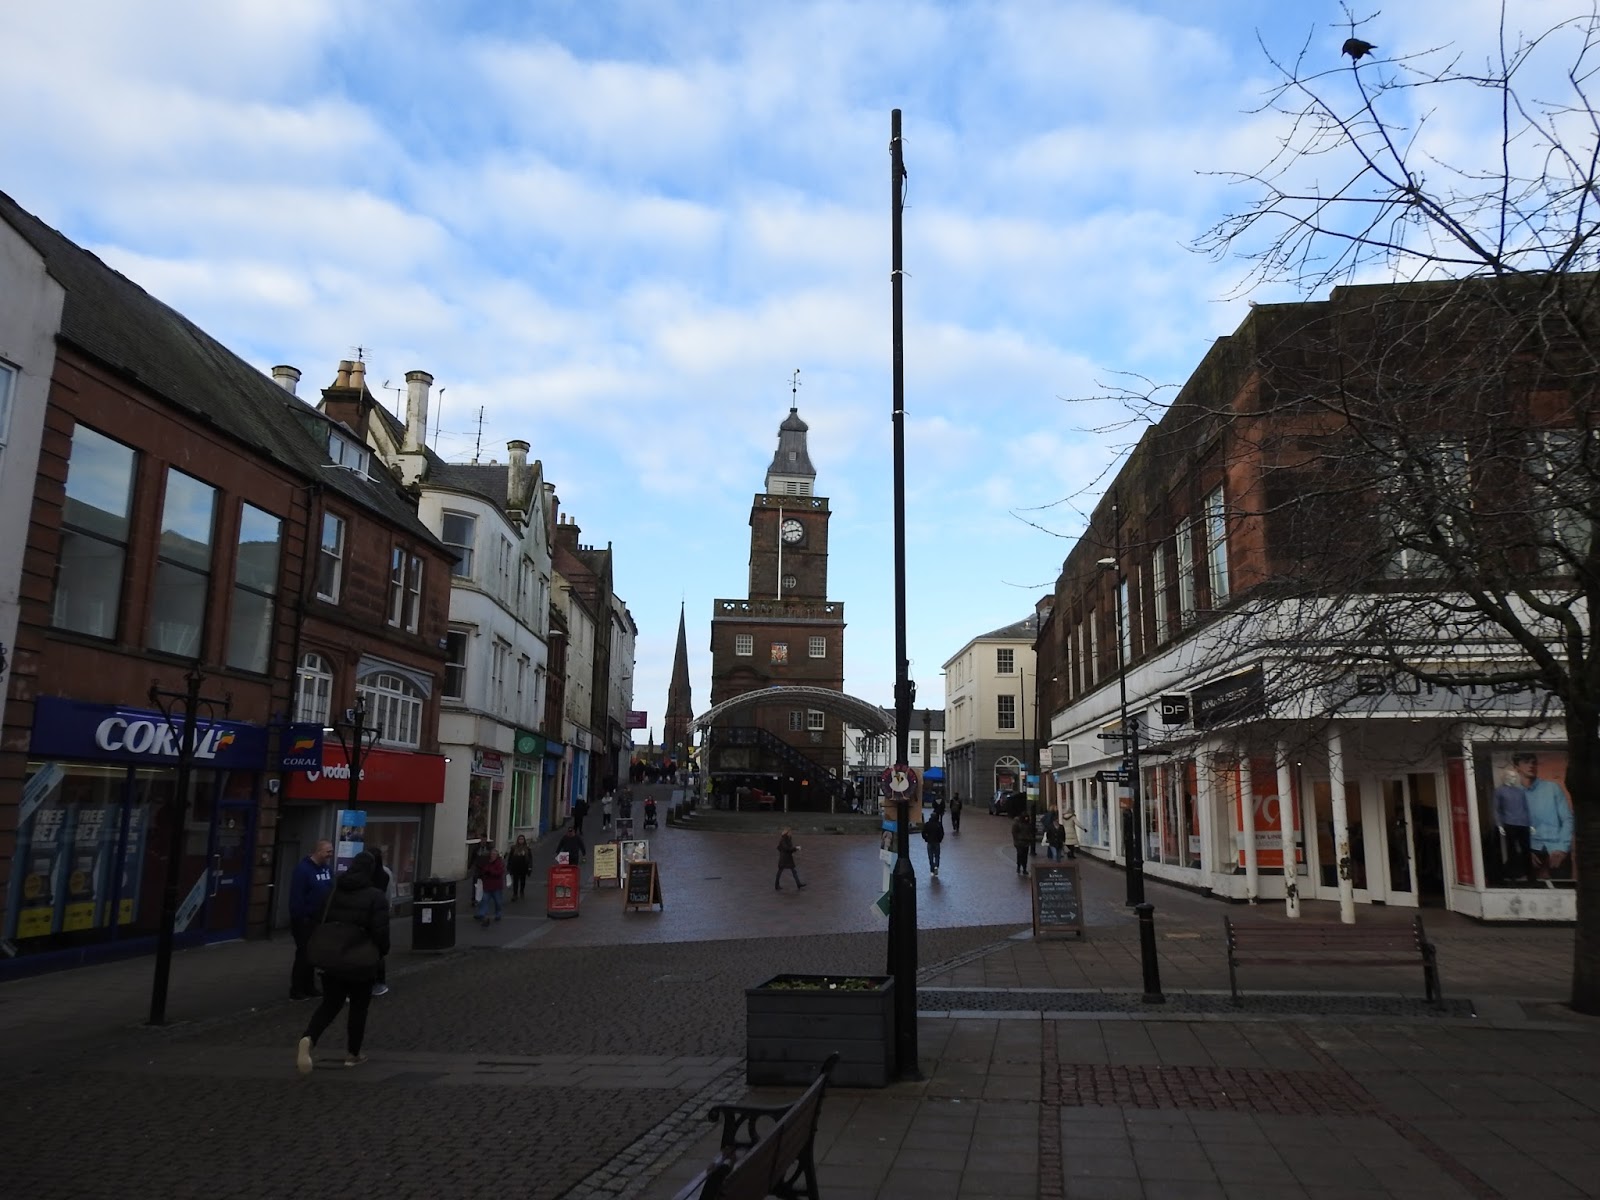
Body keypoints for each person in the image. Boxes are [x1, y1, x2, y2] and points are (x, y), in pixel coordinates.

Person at [296, 850, 389, 1073]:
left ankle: (309, 1037)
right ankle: (353, 1053)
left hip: (333, 959)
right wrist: (381, 953)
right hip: (360, 960)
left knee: (330, 1004)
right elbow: (380, 932)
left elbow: (319, 919)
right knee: (358, 1008)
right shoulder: (375, 896)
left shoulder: (333, 891)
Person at [288, 839, 334, 1001]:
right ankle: (297, 989)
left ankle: (309, 986)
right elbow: (297, 896)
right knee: (303, 954)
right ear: (318, 851)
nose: (330, 854)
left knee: (313, 954)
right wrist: (301, 917)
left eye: (331, 851)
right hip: (305, 920)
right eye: (328, 851)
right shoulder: (303, 870)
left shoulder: (327, 869)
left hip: (319, 919)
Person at [1516, 753, 1573, 880]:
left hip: (1557, 848)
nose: (1531, 765)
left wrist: (1562, 848)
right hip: (1531, 849)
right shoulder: (1515, 793)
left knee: (1563, 889)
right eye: (1526, 762)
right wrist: (1525, 851)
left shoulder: (1552, 788)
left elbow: (1567, 819)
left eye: (1533, 762)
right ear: (1517, 767)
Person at [1492, 766, 1532, 882]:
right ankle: (1512, 874)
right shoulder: (1499, 791)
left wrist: (1530, 824)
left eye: (1515, 776)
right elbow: (1496, 809)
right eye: (1511, 776)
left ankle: (1529, 875)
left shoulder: (1521, 791)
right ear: (1505, 777)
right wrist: (1499, 824)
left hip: (1523, 823)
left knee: (1526, 850)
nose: (1513, 778)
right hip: (1509, 823)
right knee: (1512, 850)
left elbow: (1526, 808)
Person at [368, 847, 392, 996]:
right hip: (379, 917)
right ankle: (378, 981)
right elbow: (388, 897)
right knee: (377, 951)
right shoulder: (385, 873)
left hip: (368, 918)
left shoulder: (363, 875)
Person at [475, 846, 506, 927]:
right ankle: (482, 914)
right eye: (492, 854)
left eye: (494, 854)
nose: (493, 855)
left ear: (497, 855)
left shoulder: (499, 863)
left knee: (498, 902)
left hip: (496, 886)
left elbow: (499, 873)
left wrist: (490, 872)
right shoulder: (487, 862)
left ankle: (498, 914)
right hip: (487, 885)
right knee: (484, 900)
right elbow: (483, 870)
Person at [507, 834, 534, 900]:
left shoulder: (527, 848)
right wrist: (509, 866)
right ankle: (515, 894)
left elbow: (530, 858)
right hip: (515, 867)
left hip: (523, 867)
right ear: (517, 840)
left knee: (522, 881)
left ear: (524, 840)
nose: (521, 840)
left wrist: (530, 867)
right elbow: (510, 858)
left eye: (522, 839)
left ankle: (521, 891)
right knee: (515, 881)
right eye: (519, 839)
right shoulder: (513, 848)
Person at [921, 805, 945, 876]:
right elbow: (942, 833)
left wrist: (926, 839)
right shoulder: (938, 824)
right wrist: (940, 839)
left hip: (930, 842)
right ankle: (936, 866)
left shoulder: (927, 824)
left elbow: (923, 833)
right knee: (937, 856)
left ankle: (932, 869)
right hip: (937, 842)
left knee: (930, 856)